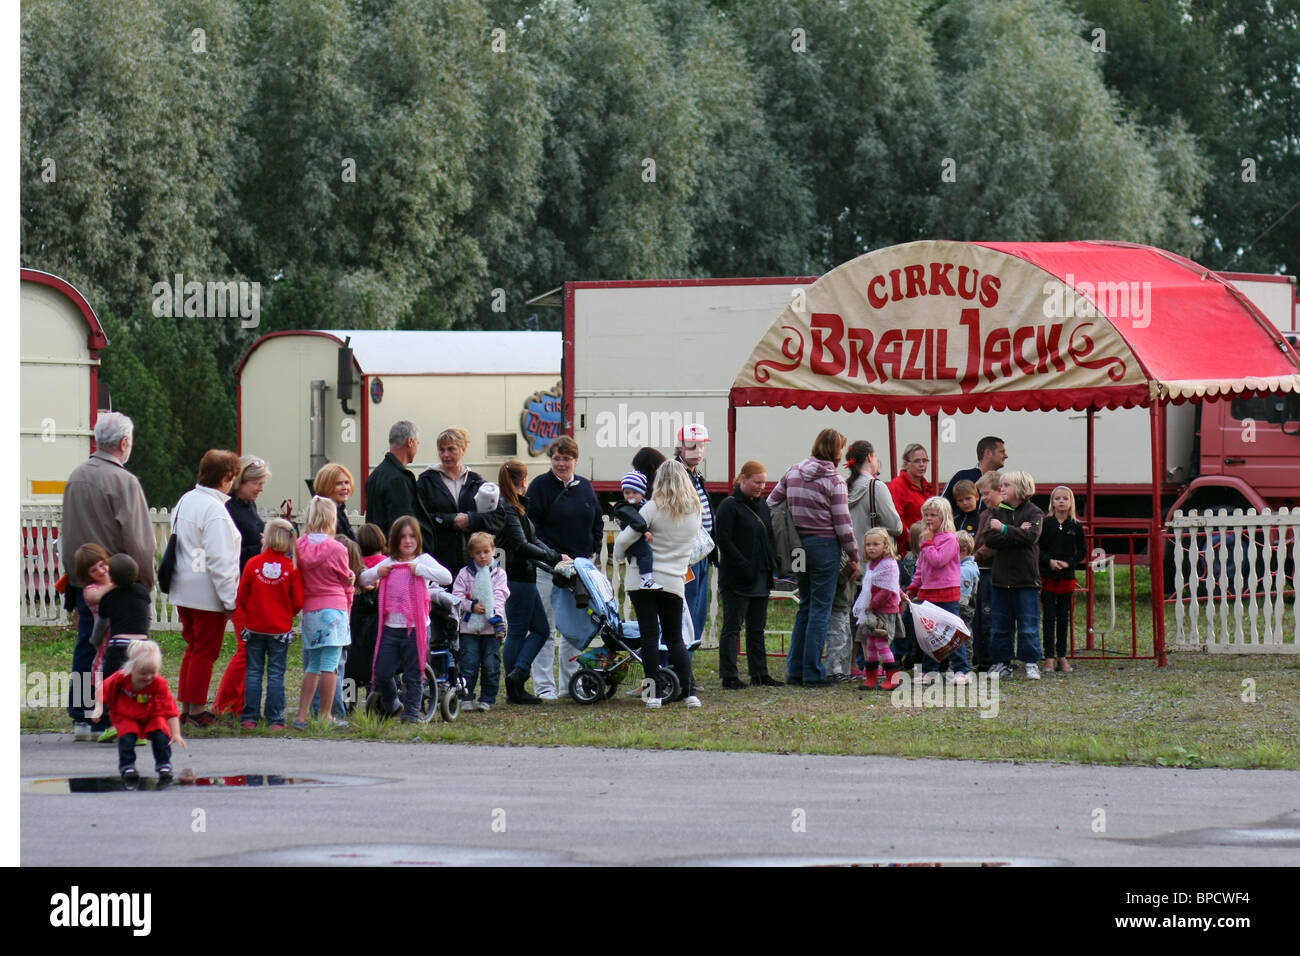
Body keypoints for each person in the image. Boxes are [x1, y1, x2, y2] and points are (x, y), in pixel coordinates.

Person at [60, 412, 156, 740]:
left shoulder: (75, 476)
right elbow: (139, 539)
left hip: (83, 578)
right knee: (117, 649)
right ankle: (114, 715)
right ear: (125, 443)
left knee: (86, 645)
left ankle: (81, 716)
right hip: (117, 581)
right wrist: (145, 580)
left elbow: (68, 532)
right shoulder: (124, 481)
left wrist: (75, 578)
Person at [767, 428, 860, 686]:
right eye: (842, 447)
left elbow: (772, 503)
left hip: (797, 546)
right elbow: (843, 524)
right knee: (821, 607)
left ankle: (795, 669)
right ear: (835, 451)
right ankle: (813, 672)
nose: (843, 452)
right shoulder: (834, 481)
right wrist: (854, 555)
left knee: (805, 605)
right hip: (824, 547)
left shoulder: (793, 471)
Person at [613, 460, 702, 709]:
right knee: (675, 638)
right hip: (674, 579)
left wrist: (619, 556)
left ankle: (654, 694)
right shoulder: (695, 510)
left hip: (642, 580)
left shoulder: (652, 508)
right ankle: (690, 692)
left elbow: (623, 541)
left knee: (649, 636)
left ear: (659, 481)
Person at [169, 449, 243, 727]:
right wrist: (229, 600)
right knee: (205, 652)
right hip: (206, 592)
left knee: (193, 648)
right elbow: (219, 560)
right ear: (225, 478)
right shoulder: (214, 510)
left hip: (183, 586)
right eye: (233, 477)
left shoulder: (186, 499)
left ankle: (187, 708)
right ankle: (198, 710)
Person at [527, 437, 603, 700]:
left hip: (579, 570)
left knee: (573, 629)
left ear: (575, 460)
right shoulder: (539, 487)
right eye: (557, 458)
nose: (561, 463)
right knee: (544, 628)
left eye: (566, 458)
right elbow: (530, 528)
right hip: (547, 569)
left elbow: (596, 521)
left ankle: (571, 684)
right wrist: (552, 555)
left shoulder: (585, 487)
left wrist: (592, 548)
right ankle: (544, 686)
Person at [358, 516, 454, 721]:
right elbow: (363, 579)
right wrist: (379, 572)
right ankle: (393, 703)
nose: (408, 541)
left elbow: (447, 577)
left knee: (413, 672)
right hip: (391, 628)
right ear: (394, 540)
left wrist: (420, 571)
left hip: (416, 628)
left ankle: (411, 713)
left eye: (412, 536)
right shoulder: (389, 562)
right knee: (382, 671)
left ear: (418, 539)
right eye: (402, 537)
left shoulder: (422, 561)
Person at [495, 460, 564, 706]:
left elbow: (533, 539)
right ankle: (516, 684)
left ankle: (518, 676)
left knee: (540, 629)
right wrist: (553, 557)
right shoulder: (508, 509)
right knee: (518, 630)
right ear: (524, 481)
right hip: (516, 576)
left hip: (525, 575)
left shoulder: (516, 507)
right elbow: (521, 546)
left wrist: (556, 556)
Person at [713, 461, 782, 689]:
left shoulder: (762, 505)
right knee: (733, 626)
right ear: (743, 479)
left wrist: (773, 562)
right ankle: (729, 675)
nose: (760, 487)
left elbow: (769, 536)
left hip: (760, 575)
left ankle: (760, 673)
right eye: (756, 482)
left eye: (763, 482)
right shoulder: (728, 506)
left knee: (756, 628)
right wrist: (743, 564)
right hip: (737, 577)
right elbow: (723, 539)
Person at [215, 455, 271, 717]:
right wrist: (260, 548)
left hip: (255, 590)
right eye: (256, 483)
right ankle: (224, 703)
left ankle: (238, 705)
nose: (261, 488)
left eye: (262, 483)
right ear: (240, 482)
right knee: (246, 647)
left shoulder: (249, 508)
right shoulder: (230, 511)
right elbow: (229, 553)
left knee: (250, 648)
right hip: (240, 589)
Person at [293, 496, 354, 729]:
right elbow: (345, 579)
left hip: (311, 609)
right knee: (331, 664)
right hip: (335, 608)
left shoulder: (299, 546)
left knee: (313, 665)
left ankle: (301, 715)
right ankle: (325, 715)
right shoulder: (338, 548)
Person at [238, 519, 304, 729]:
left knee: (254, 672)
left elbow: (242, 595)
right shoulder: (291, 568)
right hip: (280, 628)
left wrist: (252, 611)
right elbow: (299, 601)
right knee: (276, 673)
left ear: (266, 537)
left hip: (255, 626)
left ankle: (250, 717)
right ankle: (275, 718)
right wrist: (287, 613)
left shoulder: (253, 563)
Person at [91, 640, 185, 783]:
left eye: (152, 673)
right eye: (143, 673)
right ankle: (127, 766)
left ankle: (164, 765)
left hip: (152, 714)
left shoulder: (159, 684)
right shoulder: (121, 678)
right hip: (126, 714)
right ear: (131, 668)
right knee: (127, 737)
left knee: (161, 736)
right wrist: (98, 709)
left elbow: (170, 710)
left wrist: (176, 733)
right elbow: (102, 691)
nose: (148, 677)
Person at [416, 428, 505, 577]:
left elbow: (498, 518)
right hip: (439, 561)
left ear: (463, 450)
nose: (445, 455)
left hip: (474, 563)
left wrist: (471, 519)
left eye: (451, 449)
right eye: (441, 450)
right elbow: (419, 518)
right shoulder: (426, 482)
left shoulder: (476, 482)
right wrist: (450, 521)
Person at [983, 470, 1045, 680]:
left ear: (1020, 488)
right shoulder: (997, 511)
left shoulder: (1034, 512)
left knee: (1028, 623)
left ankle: (1031, 662)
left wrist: (1003, 529)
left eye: (1006, 485)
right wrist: (1015, 531)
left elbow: (1031, 537)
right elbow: (989, 538)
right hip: (1001, 579)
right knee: (1000, 624)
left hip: (1026, 579)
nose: (1002, 489)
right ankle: (1002, 662)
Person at [905, 497, 972, 683]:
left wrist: (927, 543)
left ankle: (962, 670)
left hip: (947, 593)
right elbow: (922, 566)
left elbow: (938, 560)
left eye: (933, 515)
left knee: (951, 632)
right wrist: (913, 587)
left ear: (944, 517)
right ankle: (930, 670)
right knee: (931, 634)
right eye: (925, 515)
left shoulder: (950, 539)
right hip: (928, 593)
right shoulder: (927, 539)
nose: (928, 519)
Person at [452, 532, 510, 711]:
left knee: (491, 664)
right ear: (471, 553)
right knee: (469, 663)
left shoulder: (499, 574)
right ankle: (466, 696)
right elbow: (456, 597)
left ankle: (488, 698)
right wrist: (471, 606)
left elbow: (501, 595)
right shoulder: (464, 573)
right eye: (478, 552)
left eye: (486, 551)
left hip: (491, 629)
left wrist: (496, 616)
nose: (483, 556)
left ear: (493, 550)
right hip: (470, 629)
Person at [675, 425, 716, 650]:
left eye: (701, 446)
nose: (698, 451)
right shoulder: (678, 475)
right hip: (687, 554)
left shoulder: (695, 475)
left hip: (701, 553)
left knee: (698, 611)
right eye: (692, 446)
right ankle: (680, 671)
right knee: (688, 611)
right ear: (681, 447)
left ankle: (685, 670)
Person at [1039, 486, 1086, 673]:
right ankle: (1048, 657)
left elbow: (1081, 551)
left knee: (1063, 617)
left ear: (1071, 502)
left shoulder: (1075, 525)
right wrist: (1049, 561)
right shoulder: (1046, 523)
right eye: (1057, 498)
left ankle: (1062, 657)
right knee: (1049, 617)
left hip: (1067, 577)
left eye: (1065, 498)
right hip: (1048, 577)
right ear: (1052, 502)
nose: (1061, 501)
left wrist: (1069, 563)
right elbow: (1038, 548)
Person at [854, 528, 903, 691]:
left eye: (876, 544)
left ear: (886, 545)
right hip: (873, 610)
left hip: (885, 611)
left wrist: (871, 605)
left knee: (882, 644)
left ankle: (893, 678)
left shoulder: (888, 564)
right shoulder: (872, 564)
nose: (871, 548)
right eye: (868, 544)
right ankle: (871, 677)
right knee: (870, 644)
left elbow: (888, 589)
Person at [345, 524, 388, 703]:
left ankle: (349, 702)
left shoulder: (357, 563)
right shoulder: (385, 563)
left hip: (355, 619)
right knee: (375, 661)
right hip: (378, 619)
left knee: (351, 663)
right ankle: (375, 698)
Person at [364, 420, 424, 536]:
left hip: (376, 545)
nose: (417, 447)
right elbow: (402, 525)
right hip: (394, 550)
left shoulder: (375, 475)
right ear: (410, 442)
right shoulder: (399, 479)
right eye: (417, 442)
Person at [970, 471, 1004, 671]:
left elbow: (994, 544)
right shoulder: (985, 514)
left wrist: (975, 556)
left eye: (986, 494)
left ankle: (993, 659)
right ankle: (981, 659)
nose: (983, 499)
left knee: (989, 615)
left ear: (1000, 491)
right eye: (981, 495)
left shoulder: (1003, 515)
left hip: (992, 571)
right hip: (979, 570)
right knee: (978, 618)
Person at [613, 471, 660, 590]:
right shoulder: (625, 507)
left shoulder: (643, 505)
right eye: (627, 492)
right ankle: (646, 579)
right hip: (634, 539)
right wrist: (645, 531)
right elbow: (636, 520)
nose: (630, 496)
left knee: (644, 555)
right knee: (645, 553)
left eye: (635, 492)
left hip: (638, 538)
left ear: (642, 493)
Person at [888, 443, 933, 558]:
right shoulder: (897, 485)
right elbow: (897, 519)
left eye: (925, 460)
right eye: (917, 461)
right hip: (909, 550)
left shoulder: (926, 486)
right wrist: (911, 541)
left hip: (929, 545)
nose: (922, 465)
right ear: (906, 464)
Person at [942, 436, 1007, 512]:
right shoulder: (961, 476)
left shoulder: (1004, 481)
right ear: (988, 453)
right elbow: (942, 506)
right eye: (1002, 452)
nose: (1006, 456)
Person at [315, 463, 358, 542]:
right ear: (325, 486)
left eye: (347, 482)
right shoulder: (325, 516)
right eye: (339, 483)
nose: (345, 488)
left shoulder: (339, 511)